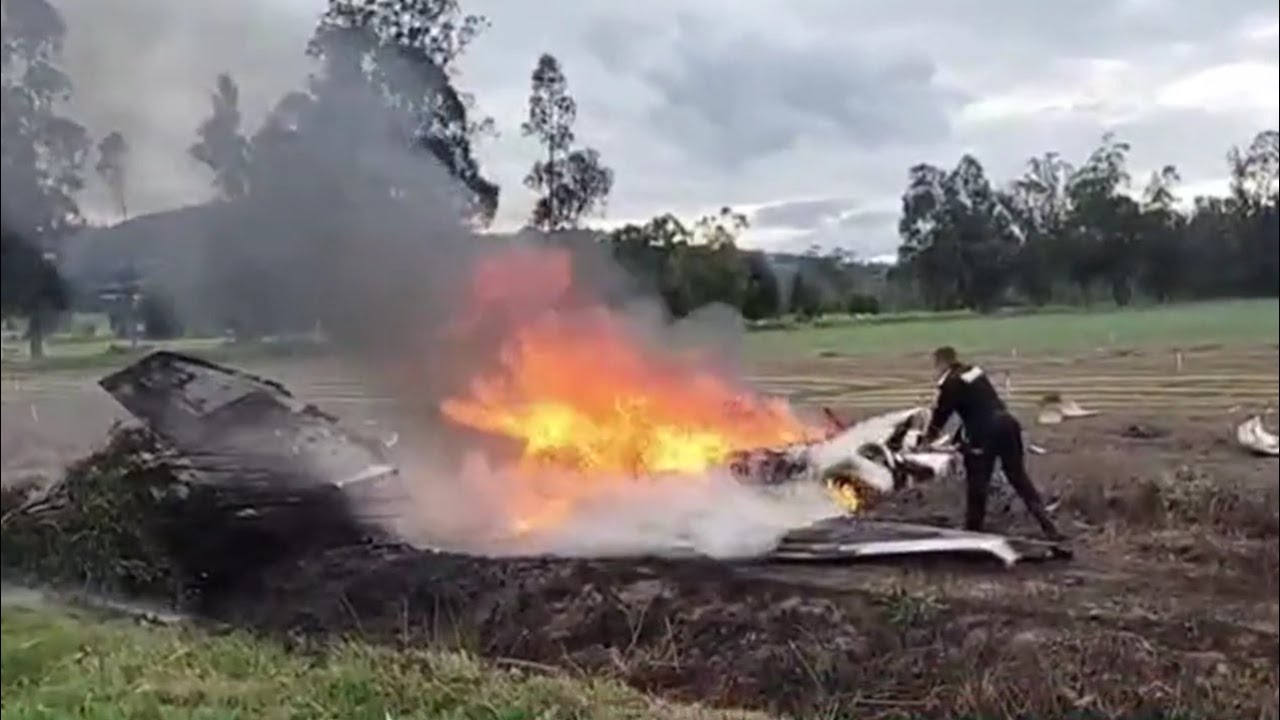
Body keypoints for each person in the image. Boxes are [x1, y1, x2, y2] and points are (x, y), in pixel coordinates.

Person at [922, 346, 1064, 541]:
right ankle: (1050, 528)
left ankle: (973, 533)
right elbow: (977, 406)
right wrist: (958, 438)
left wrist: (928, 438)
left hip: (984, 432)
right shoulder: (974, 371)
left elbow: (941, 414)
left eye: (935, 365)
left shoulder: (950, 383)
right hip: (1008, 424)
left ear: (941, 363)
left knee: (978, 482)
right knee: (1018, 477)